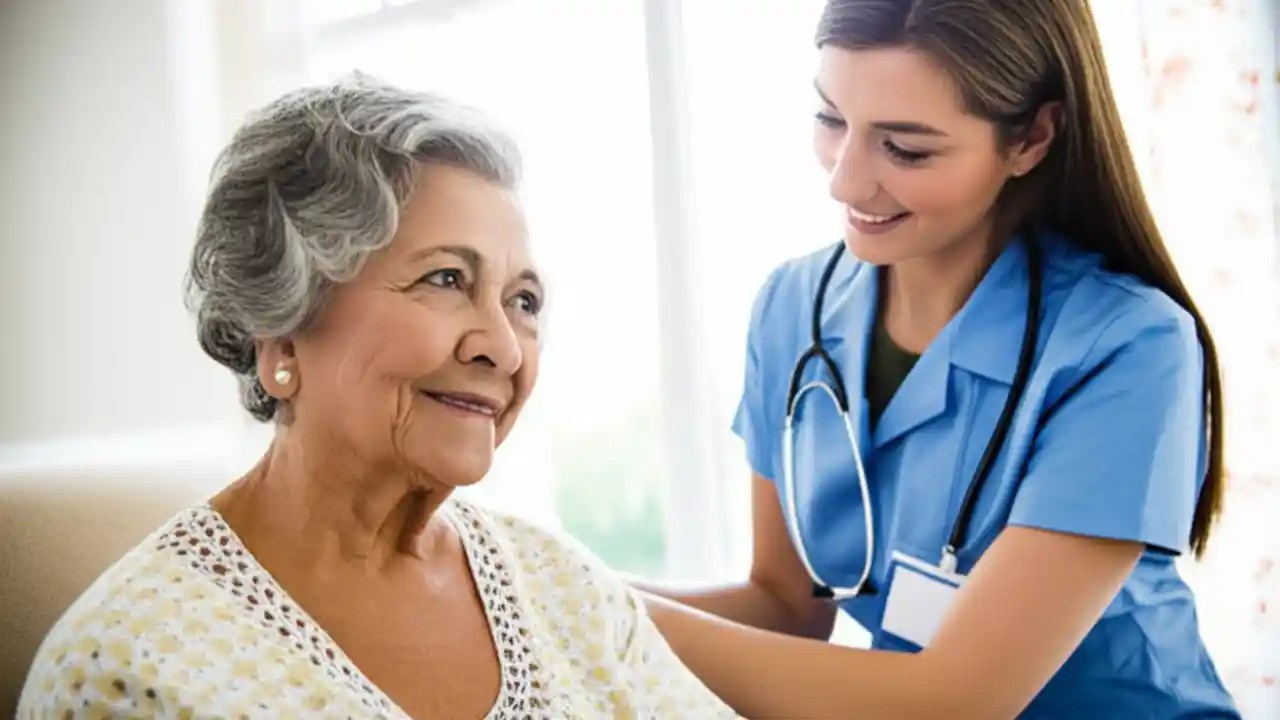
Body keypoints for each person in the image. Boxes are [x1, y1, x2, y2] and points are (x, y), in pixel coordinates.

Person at [18, 76, 736, 719]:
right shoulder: (127, 668)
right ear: (284, 338)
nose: (505, 347)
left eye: (523, 300)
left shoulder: (563, 588)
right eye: (447, 280)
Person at [637, 1, 1239, 717]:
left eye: (906, 149)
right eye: (832, 120)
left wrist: (600, 616)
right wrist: (541, 580)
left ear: (1033, 138)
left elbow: (953, 702)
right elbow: (786, 604)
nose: (845, 181)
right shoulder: (792, 307)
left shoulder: (1129, 346)